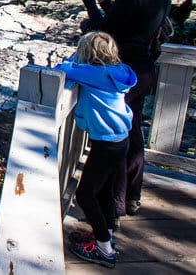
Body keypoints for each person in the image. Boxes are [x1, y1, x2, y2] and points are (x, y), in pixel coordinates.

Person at [76, 0, 172, 218]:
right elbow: (128, 20)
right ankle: (132, 195)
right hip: (144, 72)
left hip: (122, 74)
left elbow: (105, 31)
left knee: (115, 139)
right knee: (133, 132)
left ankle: (112, 207)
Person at [56, 31, 136, 268]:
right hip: (121, 141)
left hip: (106, 145)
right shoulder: (119, 72)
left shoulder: (95, 74)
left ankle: (104, 249)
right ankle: (106, 234)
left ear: (87, 54)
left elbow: (65, 69)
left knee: (84, 194)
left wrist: (74, 59)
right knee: (104, 191)